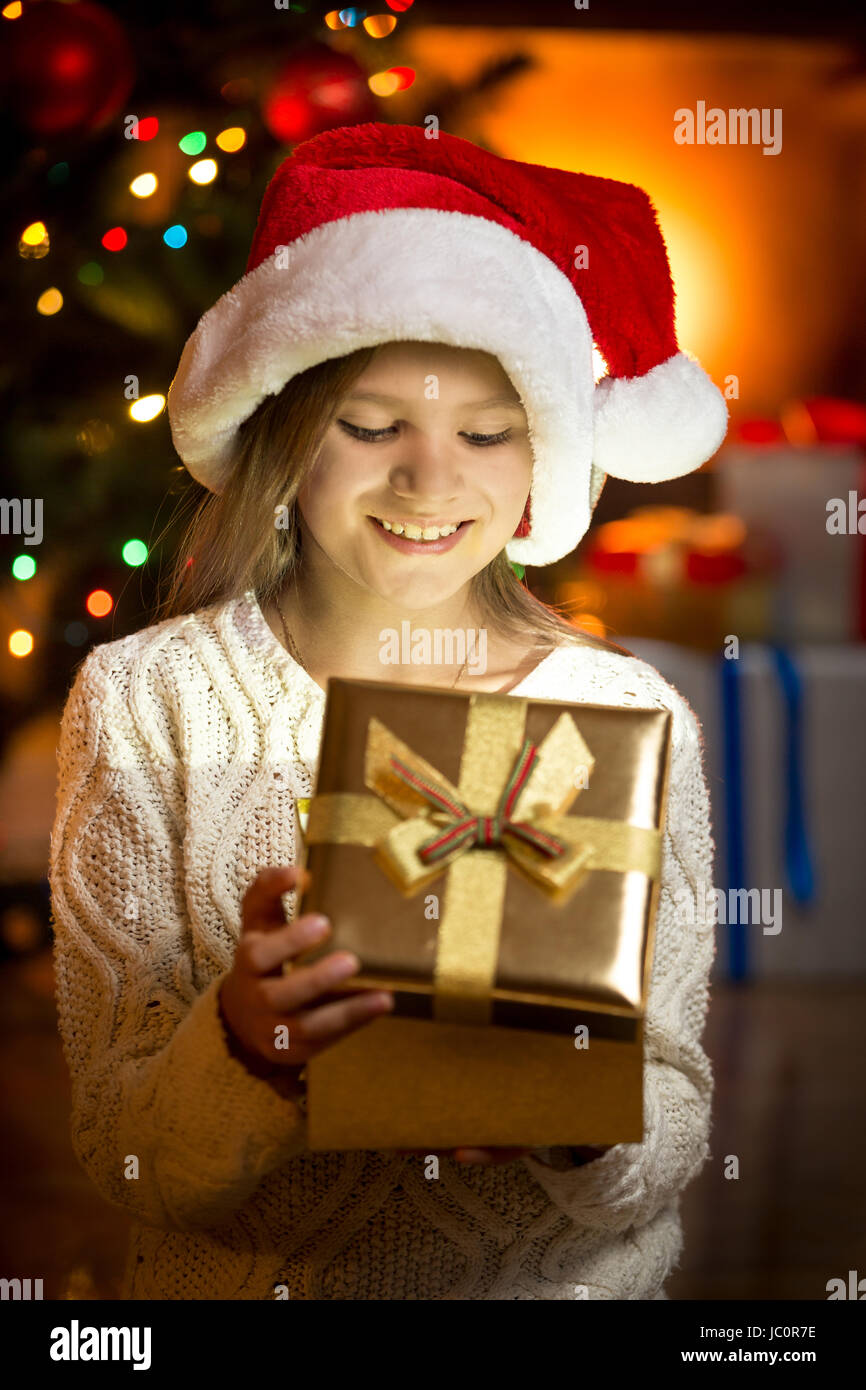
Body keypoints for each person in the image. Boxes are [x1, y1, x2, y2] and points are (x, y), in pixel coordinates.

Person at [49, 123, 725, 1300]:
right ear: (285, 431)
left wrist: (574, 1114)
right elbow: (125, 1151)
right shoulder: (148, 704)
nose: (428, 479)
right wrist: (246, 1043)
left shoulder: (623, 710)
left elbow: (669, 1127)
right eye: (370, 427)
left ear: (541, 464)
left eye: (484, 432)